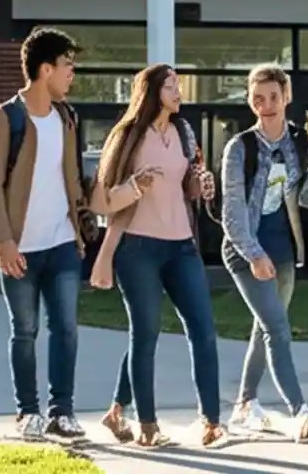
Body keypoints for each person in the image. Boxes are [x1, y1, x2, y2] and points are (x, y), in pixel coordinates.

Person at [87, 64, 226, 448]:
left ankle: (211, 421)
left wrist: (200, 185)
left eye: (178, 85)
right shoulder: (128, 135)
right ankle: (147, 426)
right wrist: (132, 187)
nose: (179, 92)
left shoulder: (183, 131)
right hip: (138, 249)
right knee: (145, 334)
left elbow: (186, 186)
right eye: (171, 86)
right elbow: (100, 198)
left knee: (203, 330)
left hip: (182, 245)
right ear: (151, 92)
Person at [0, 28, 89, 441]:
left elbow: (74, 179)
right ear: (46, 69)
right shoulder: (5, 120)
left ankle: (62, 411)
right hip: (19, 247)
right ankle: (28, 412)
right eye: (67, 65)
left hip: (61, 243)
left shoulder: (67, 118)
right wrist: (2, 240)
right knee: (24, 331)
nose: (72, 73)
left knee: (67, 328)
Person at [219, 64, 308, 440]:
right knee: (278, 329)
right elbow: (231, 214)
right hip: (245, 250)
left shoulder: (299, 141)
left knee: (264, 330)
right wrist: (253, 254)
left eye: (273, 98)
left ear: (286, 98)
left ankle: (244, 405)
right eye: (257, 98)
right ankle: (300, 410)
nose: (265, 105)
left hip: (283, 249)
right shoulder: (240, 148)